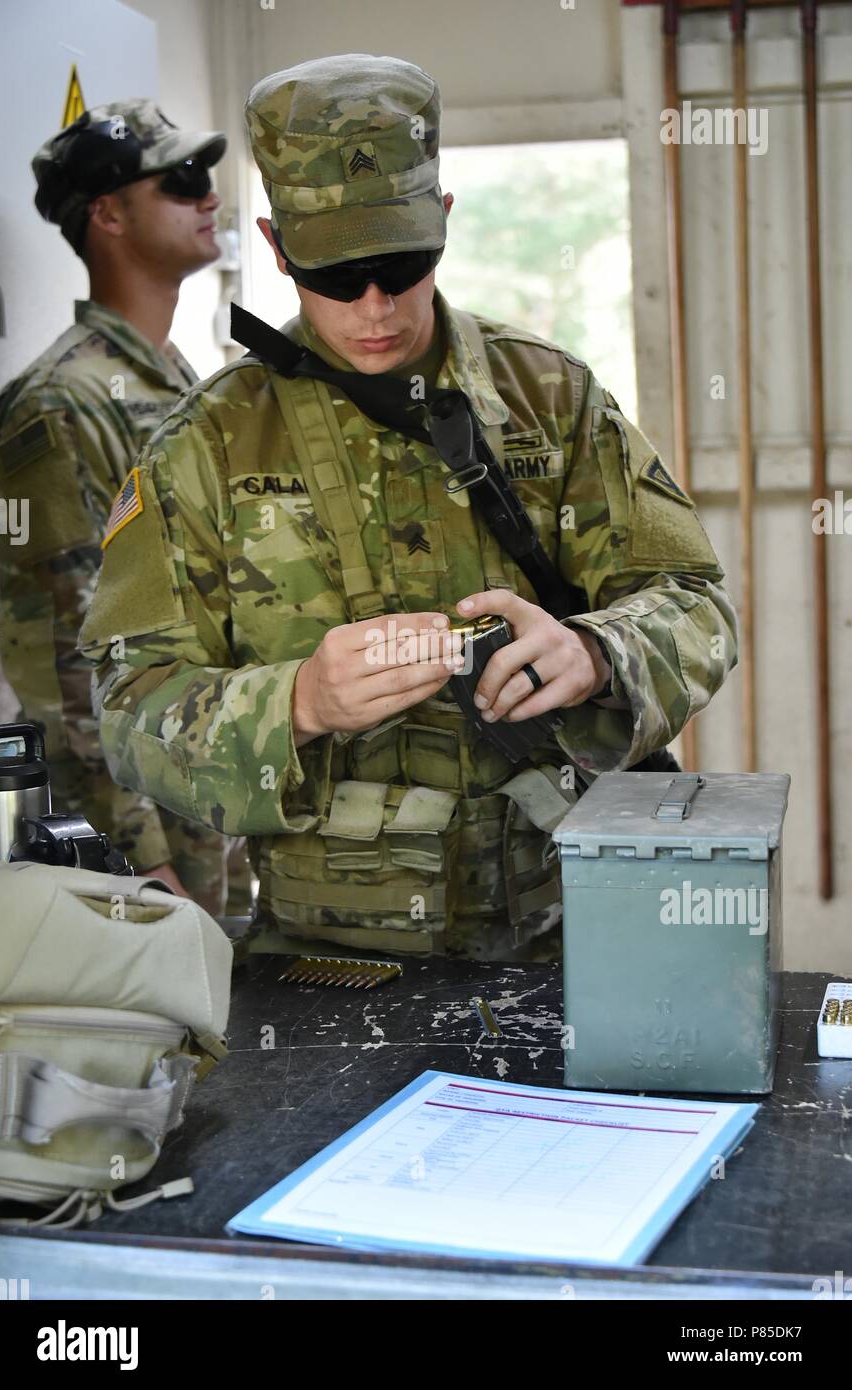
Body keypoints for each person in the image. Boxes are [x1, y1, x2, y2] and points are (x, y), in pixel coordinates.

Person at [80, 56, 737, 961]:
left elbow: (697, 603)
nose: (376, 306)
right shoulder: (206, 447)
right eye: (337, 277)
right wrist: (298, 701)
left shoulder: (550, 398)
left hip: (569, 940)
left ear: (445, 222)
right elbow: (127, 710)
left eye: (403, 264)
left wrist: (595, 651)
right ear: (276, 249)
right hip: (329, 965)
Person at [0, 99, 248, 912]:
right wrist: (125, 852)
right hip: (157, 833)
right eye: (180, 181)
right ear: (107, 214)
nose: (208, 197)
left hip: (214, 788)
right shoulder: (59, 405)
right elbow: (61, 651)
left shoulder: (178, 379)